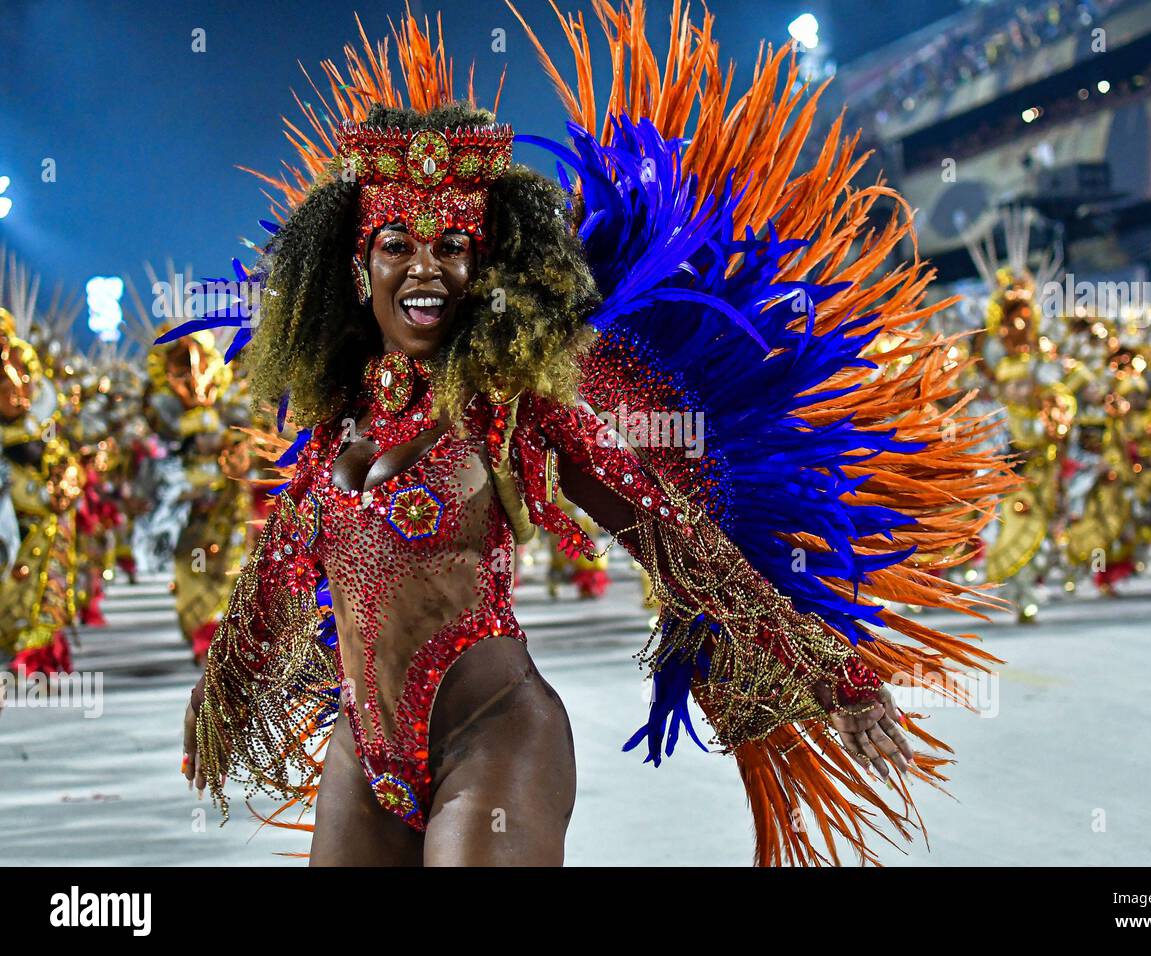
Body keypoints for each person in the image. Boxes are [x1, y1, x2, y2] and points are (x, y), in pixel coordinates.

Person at [174, 1, 1014, 867]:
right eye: (397, 244)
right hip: (366, 756)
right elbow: (281, 565)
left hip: (493, 740)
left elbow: (668, 533)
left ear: (484, 268)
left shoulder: (512, 404)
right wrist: (224, 691)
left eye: (455, 246)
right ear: (360, 266)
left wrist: (832, 673)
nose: (426, 265)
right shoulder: (334, 419)